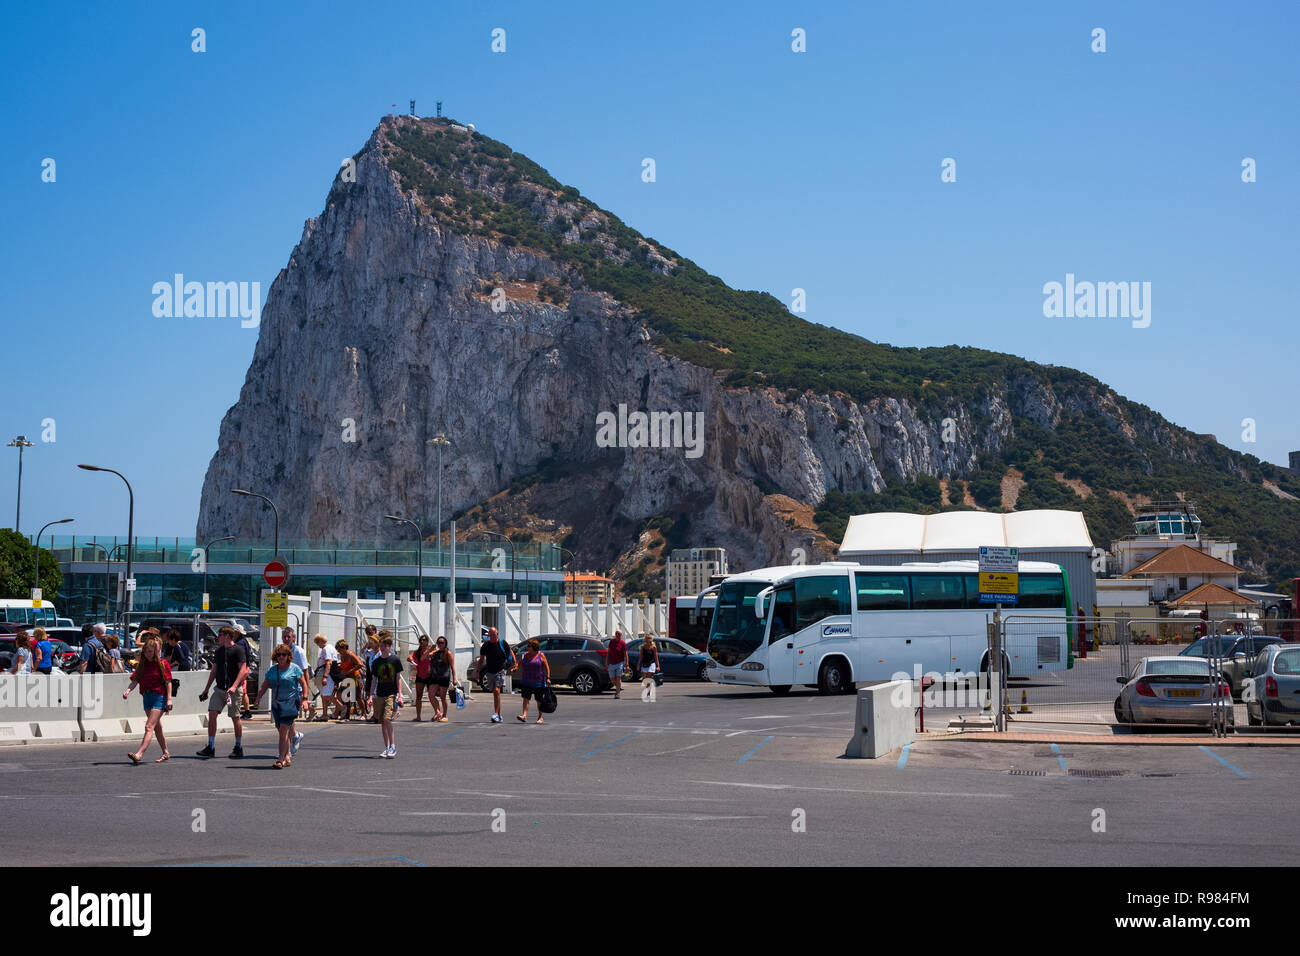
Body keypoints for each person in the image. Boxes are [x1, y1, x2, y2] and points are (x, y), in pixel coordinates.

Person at [196, 626, 249, 759]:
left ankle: (238, 747)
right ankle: (211, 746)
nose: (217, 637)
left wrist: (234, 686)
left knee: (235, 717)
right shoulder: (219, 651)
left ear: (227, 635)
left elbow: (243, 670)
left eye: (220, 635)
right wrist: (206, 689)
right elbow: (214, 670)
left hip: (234, 691)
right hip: (219, 689)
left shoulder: (238, 650)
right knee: (212, 714)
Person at [255, 643, 310, 769]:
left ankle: (280, 759)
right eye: (278, 655)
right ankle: (287, 757)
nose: (281, 657)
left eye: (284, 655)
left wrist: (305, 699)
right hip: (276, 703)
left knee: (283, 732)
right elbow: (264, 685)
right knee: (281, 731)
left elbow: (304, 684)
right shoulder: (272, 670)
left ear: (288, 656)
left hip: (290, 702)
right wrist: (258, 698)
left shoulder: (295, 668)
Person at [124, 636, 173, 765]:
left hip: (159, 697)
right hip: (147, 697)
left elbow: (168, 682)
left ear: (156, 651)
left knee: (149, 726)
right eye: (146, 651)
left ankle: (139, 754)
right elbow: (135, 680)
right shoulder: (143, 665)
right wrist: (128, 691)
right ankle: (166, 752)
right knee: (157, 727)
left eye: (150, 651)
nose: (148, 654)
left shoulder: (163, 664)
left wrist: (169, 699)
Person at [366, 634, 404, 758]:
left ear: (390, 647)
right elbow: (374, 680)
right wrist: (371, 696)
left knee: (387, 719)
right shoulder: (376, 662)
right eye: (381, 646)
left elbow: (398, 678)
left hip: (391, 693)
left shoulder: (395, 660)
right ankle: (387, 748)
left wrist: (399, 695)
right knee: (382, 722)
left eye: (385, 646)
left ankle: (393, 746)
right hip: (379, 694)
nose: (383, 648)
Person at [476, 626, 515, 724]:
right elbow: (481, 660)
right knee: (495, 693)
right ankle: (499, 716)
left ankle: (496, 713)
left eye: (494, 634)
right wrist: (477, 672)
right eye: (490, 635)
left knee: (497, 690)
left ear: (497, 634)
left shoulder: (502, 643)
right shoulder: (485, 646)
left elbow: (510, 652)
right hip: (490, 671)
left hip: (501, 670)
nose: (492, 636)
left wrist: (515, 663)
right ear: (488, 635)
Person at [516, 639, 550, 724]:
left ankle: (540, 717)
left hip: (538, 681)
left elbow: (546, 667)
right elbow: (518, 664)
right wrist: (515, 668)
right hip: (526, 680)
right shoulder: (524, 655)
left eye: (529, 646)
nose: (527, 648)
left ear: (534, 647)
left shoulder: (541, 655)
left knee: (538, 700)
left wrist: (548, 677)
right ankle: (524, 715)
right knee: (526, 698)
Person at [335, 640, 367, 719]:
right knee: (340, 693)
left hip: (355, 677)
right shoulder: (342, 655)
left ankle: (364, 714)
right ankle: (344, 712)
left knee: (357, 697)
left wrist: (350, 670)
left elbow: (360, 664)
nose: (339, 651)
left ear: (345, 648)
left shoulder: (351, 654)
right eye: (337, 650)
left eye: (339, 649)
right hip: (347, 677)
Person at [408, 635, 437, 721]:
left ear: (427, 641)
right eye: (421, 640)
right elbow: (411, 657)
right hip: (420, 675)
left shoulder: (432, 651)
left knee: (432, 695)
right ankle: (418, 716)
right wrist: (409, 659)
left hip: (430, 676)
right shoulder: (417, 652)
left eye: (424, 640)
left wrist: (431, 651)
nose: (422, 642)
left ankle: (437, 712)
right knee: (418, 697)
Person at [312, 635, 339, 721]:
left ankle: (342, 707)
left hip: (328, 674)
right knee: (324, 695)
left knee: (326, 694)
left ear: (320, 641)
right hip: (329, 673)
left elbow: (328, 663)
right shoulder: (330, 647)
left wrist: (325, 677)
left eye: (317, 643)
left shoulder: (326, 649)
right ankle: (324, 714)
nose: (318, 645)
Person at [429, 636, 455, 722]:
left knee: (443, 697)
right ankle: (437, 712)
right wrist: (431, 649)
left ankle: (445, 715)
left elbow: (452, 667)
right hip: (434, 677)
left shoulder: (448, 653)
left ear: (445, 644)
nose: (440, 644)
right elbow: (424, 657)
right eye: (438, 642)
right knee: (431, 695)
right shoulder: (435, 652)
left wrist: (454, 678)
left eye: (442, 643)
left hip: (444, 677)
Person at [638, 636, 661, 703]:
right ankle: (649, 691)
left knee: (648, 678)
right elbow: (640, 656)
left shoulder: (654, 647)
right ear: (645, 640)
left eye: (650, 639)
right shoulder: (643, 647)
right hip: (644, 664)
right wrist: (638, 665)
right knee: (644, 680)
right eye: (647, 639)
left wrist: (658, 666)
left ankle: (648, 694)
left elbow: (656, 657)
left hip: (651, 664)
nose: (649, 640)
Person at [606, 629, 628, 699]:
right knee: (612, 679)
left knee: (618, 678)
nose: (617, 635)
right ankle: (618, 687)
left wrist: (627, 665)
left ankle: (617, 693)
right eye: (616, 633)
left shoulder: (623, 643)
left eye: (619, 634)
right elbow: (608, 652)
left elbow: (626, 655)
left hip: (620, 663)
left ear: (621, 635)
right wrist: (607, 661)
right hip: (611, 663)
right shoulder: (611, 642)